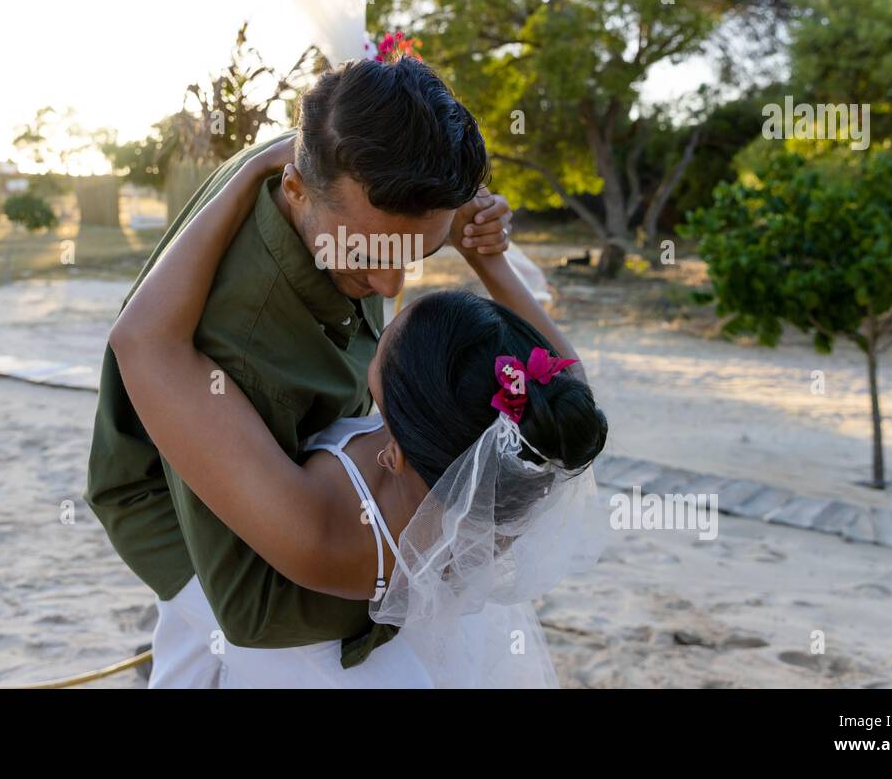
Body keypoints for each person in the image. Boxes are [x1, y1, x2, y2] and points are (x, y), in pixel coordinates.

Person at [110, 130, 608, 687]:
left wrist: (247, 172)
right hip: (399, 597)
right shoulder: (503, 455)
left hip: (292, 625)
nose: (390, 287)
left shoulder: (316, 533)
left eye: (396, 335)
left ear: (390, 450)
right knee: (184, 657)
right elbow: (568, 383)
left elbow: (145, 343)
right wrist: (487, 258)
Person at [86, 56, 514, 686]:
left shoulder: (336, 162)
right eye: (367, 253)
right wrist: (407, 588)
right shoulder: (241, 346)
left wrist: (471, 231)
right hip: (183, 523)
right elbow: (257, 611)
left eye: (415, 251)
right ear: (293, 190)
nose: (391, 284)